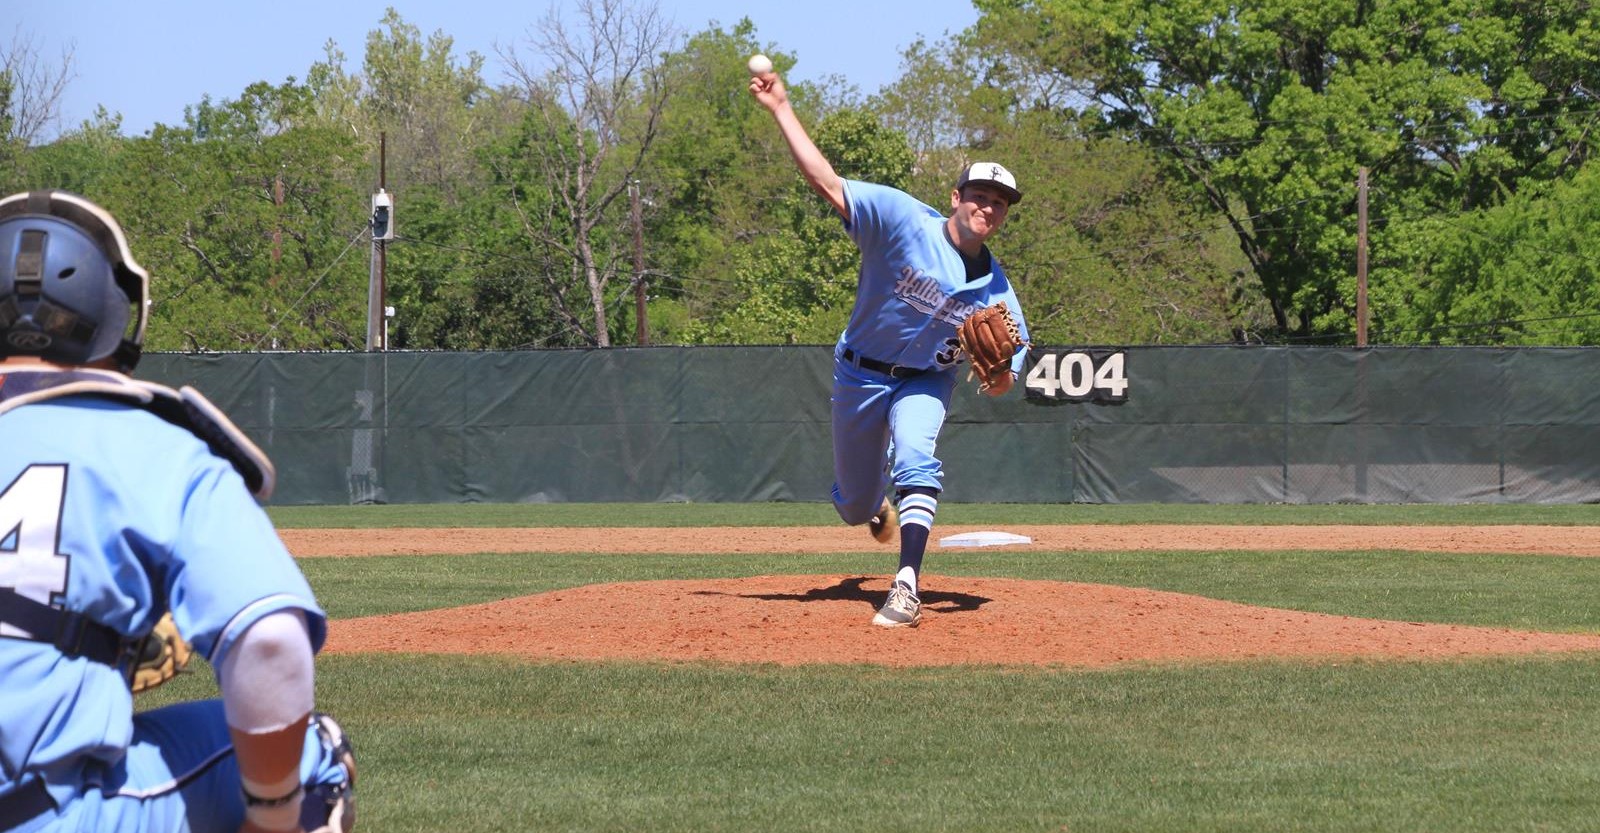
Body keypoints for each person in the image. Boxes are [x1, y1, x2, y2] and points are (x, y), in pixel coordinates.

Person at [0, 190, 355, 833]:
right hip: (38, 817)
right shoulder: (157, 446)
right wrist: (271, 816)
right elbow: (271, 643)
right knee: (316, 754)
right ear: (116, 317)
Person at [748, 69, 1031, 628]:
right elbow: (827, 182)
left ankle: (906, 586)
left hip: (925, 379)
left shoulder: (1000, 294)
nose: (989, 208)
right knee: (855, 505)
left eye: (1000, 202)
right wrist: (781, 107)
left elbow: (1003, 384)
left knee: (918, 457)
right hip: (859, 374)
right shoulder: (902, 221)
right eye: (979, 196)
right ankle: (873, 504)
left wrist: (995, 372)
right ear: (956, 198)